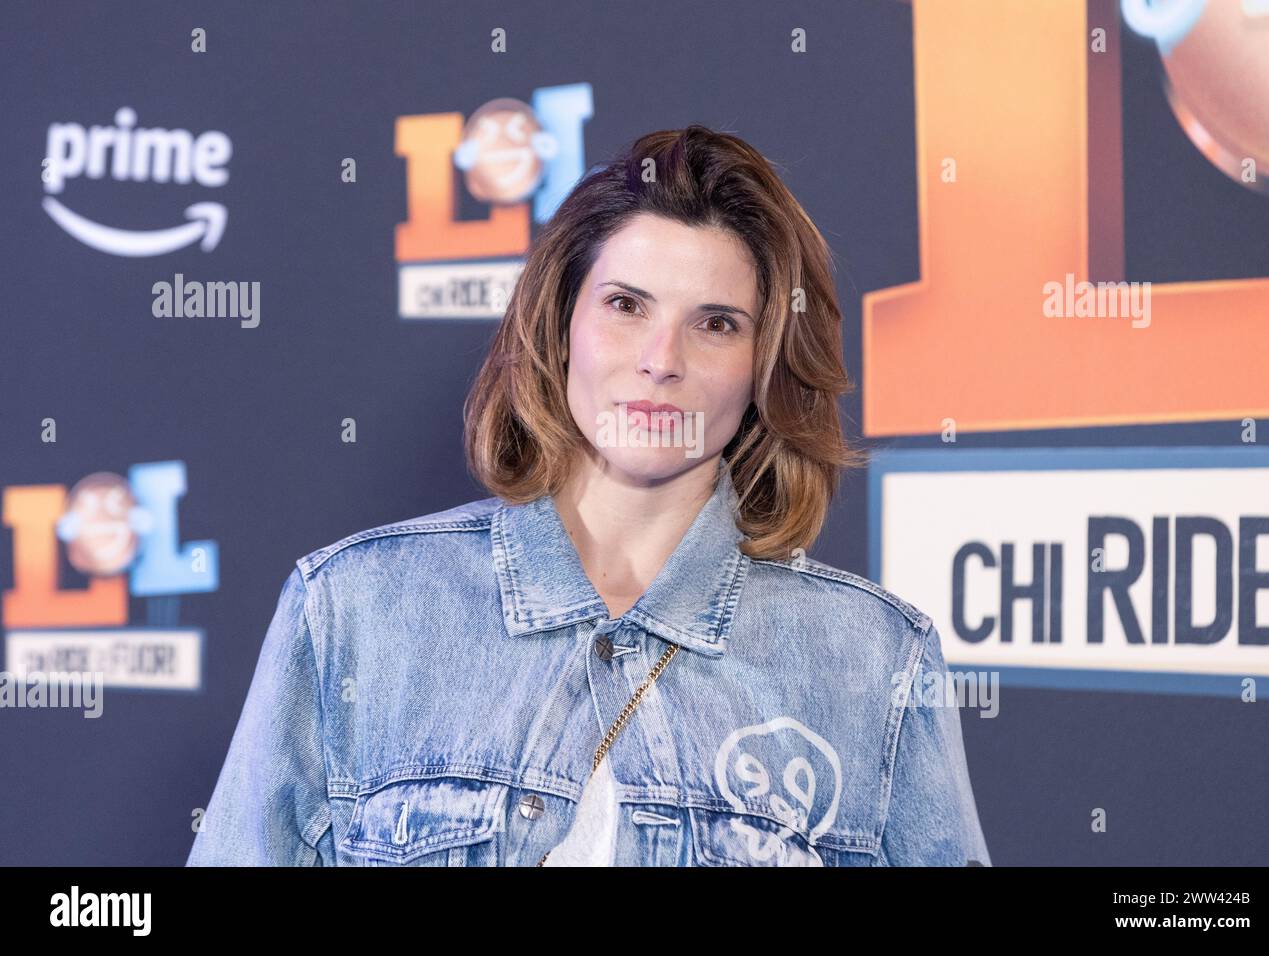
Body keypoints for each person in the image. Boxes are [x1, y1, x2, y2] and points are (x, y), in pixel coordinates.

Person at [186, 125, 992, 867]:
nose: (659, 359)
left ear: (765, 368)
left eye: (716, 324)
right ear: (560, 320)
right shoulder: (352, 612)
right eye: (626, 304)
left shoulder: (873, 659)